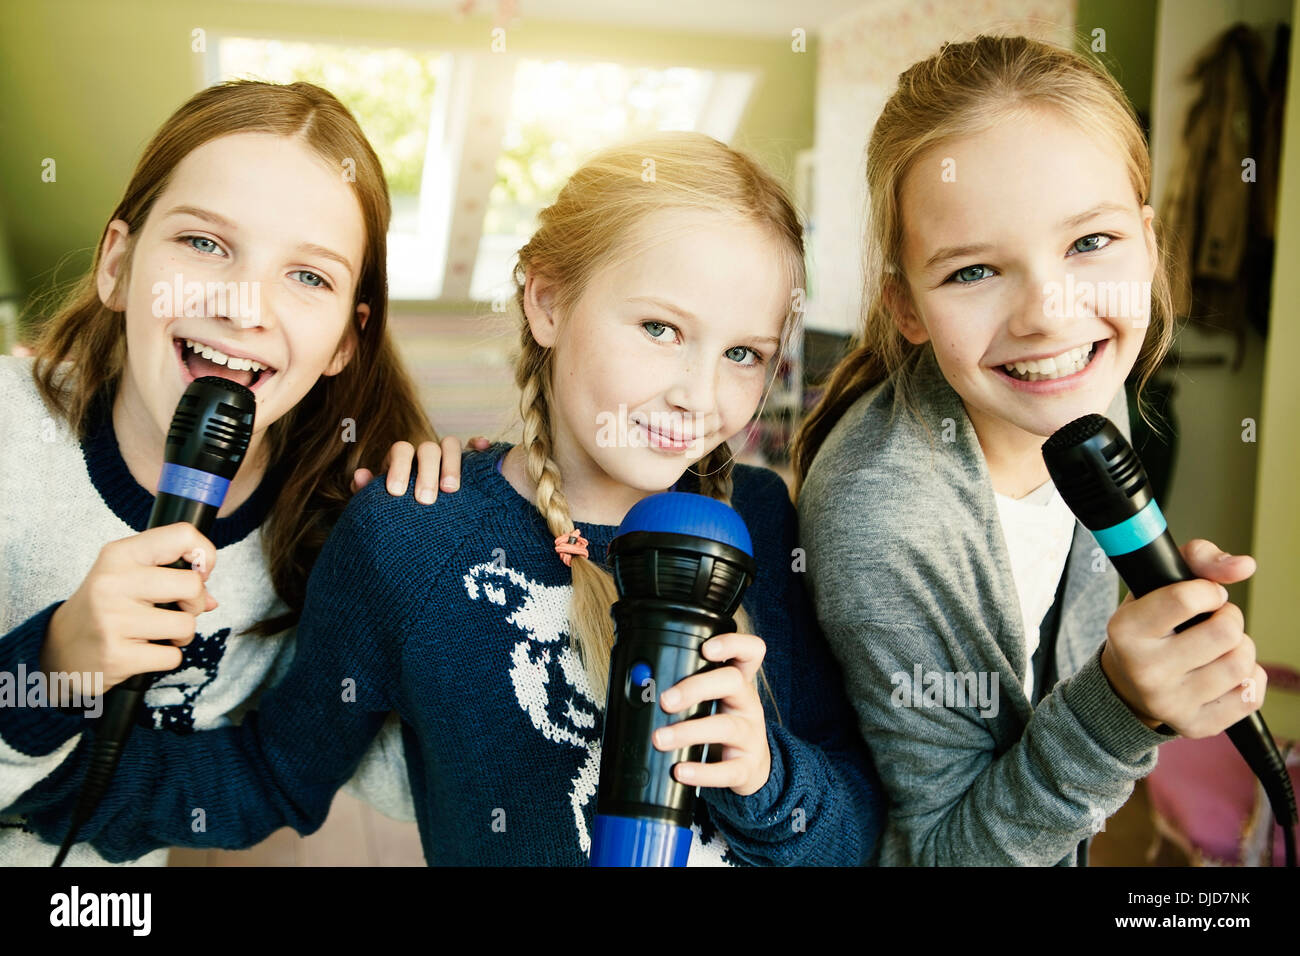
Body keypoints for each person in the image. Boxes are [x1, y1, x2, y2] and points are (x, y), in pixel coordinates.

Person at [8, 132, 884, 866]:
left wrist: (767, 777)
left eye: (743, 354)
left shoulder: (763, 516)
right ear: (547, 301)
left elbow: (852, 829)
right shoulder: (409, 534)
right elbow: (272, 777)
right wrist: (33, 754)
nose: (699, 394)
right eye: (660, 328)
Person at [792, 35, 1266, 865]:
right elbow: (939, 855)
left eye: (1090, 243)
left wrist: (1146, 653)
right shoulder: (886, 521)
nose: (1050, 315)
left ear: (1149, 243)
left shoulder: (1087, 389)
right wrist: (1120, 708)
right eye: (974, 271)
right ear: (906, 306)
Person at [0, 80, 470, 865]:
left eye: (309, 276)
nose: (245, 307)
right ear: (117, 264)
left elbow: (398, 780)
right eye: (205, 244)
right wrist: (50, 671)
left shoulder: (330, 530)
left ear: (345, 342)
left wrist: (453, 576)